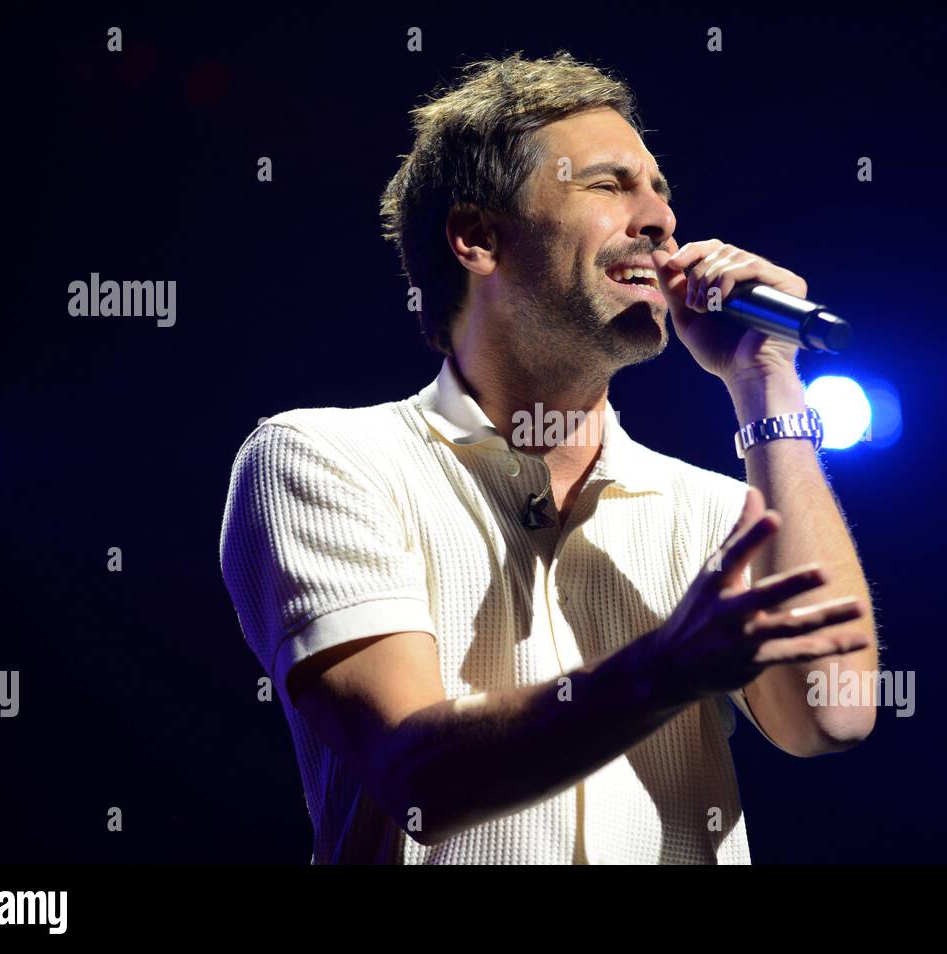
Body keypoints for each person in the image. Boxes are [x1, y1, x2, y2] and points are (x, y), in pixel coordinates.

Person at [219, 51, 878, 864]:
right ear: (476, 237)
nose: (661, 221)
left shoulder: (716, 511)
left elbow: (831, 714)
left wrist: (765, 379)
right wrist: (665, 670)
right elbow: (415, 772)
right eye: (609, 186)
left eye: (661, 190)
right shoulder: (325, 460)